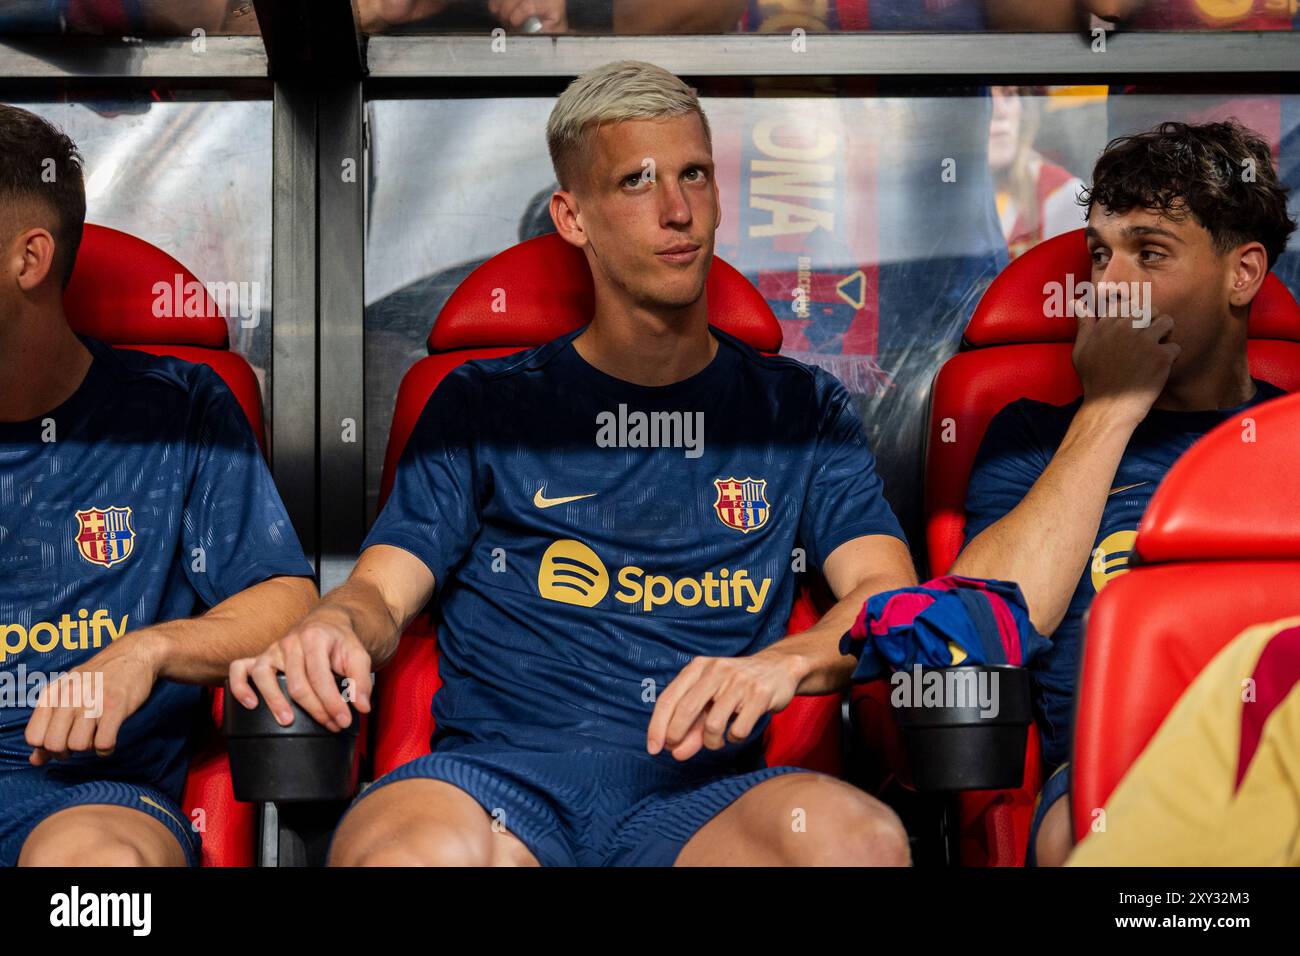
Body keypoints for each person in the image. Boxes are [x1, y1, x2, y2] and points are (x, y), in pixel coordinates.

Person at [233, 60, 919, 867]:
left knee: (860, 844)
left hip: (704, 797)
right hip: (495, 784)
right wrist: (333, 626)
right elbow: (382, 588)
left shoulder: (798, 409)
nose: (678, 210)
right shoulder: (483, 404)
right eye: (636, 182)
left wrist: (784, 663)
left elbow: (889, 595)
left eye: (694, 174)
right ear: (572, 216)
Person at [951, 119, 1296, 866]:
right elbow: (985, 629)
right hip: (1111, 775)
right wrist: (1109, 409)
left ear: (1242, 275)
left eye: (1150, 253)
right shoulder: (1034, 437)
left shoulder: (1289, 437)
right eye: (1101, 255)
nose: (1106, 286)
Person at [0, 105, 317, 867]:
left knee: (103, 880)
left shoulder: (173, 409)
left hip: (84, 792)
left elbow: (286, 604)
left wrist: (147, 651)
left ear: (28, 259)